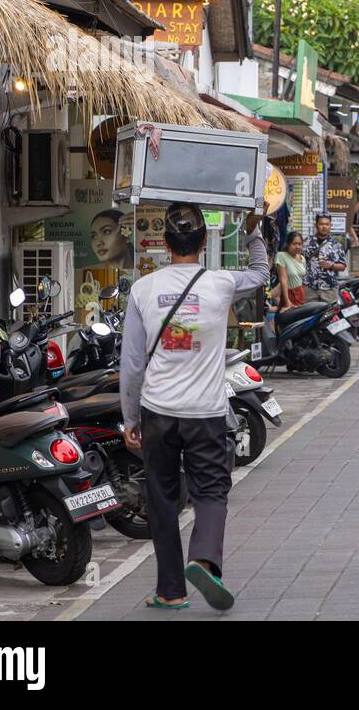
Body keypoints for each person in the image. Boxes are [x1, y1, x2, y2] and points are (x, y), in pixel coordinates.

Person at [120, 203, 268, 611]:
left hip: (156, 411)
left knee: (162, 498)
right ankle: (203, 559)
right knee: (212, 491)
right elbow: (259, 274)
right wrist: (254, 232)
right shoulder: (220, 283)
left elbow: (132, 364)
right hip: (205, 412)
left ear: (166, 243)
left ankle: (170, 590)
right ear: (203, 242)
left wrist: (129, 417)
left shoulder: (142, 290)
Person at [303, 213, 348, 304]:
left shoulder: (336, 244)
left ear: (331, 226)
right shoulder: (306, 242)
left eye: (327, 224)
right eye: (321, 224)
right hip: (310, 288)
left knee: (330, 316)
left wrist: (331, 265)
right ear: (316, 225)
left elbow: (343, 266)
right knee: (310, 315)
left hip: (329, 289)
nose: (324, 227)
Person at [275, 232, 307, 310]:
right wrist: (287, 302)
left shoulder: (302, 259)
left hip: (300, 294)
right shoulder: (281, 256)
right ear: (288, 244)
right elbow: (283, 279)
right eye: (294, 244)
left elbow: (302, 280)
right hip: (288, 294)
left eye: (299, 244)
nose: (297, 247)